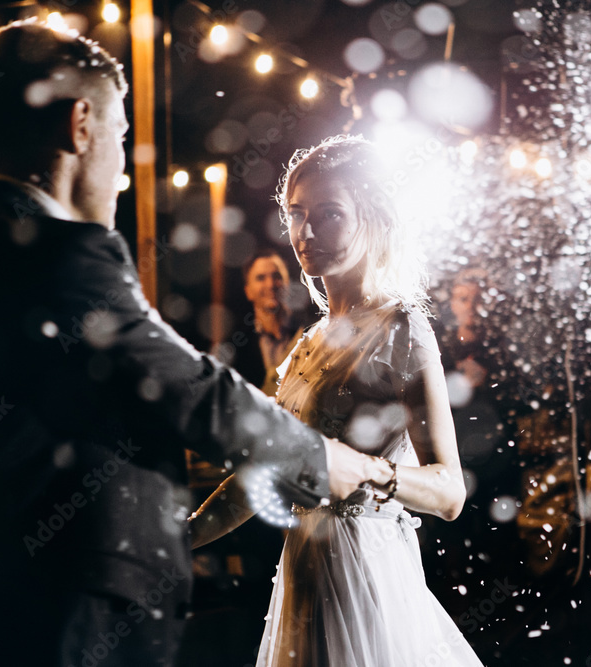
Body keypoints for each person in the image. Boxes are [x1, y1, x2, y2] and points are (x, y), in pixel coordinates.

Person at [0, 22, 378, 667]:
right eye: (120, 137)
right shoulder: (55, 254)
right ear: (80, 125)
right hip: (53, 618)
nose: (121, 166)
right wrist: (319, 456)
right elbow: (189, 387)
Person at [189, 135, 484, 666]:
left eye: (328, 214)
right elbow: (262, 474)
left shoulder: (401, 328)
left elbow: (450, 491)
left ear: (372, 217)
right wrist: (182, 537)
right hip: (304, 570)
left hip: (367, 571)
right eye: (296, 214)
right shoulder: (308, 342)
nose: (304, 232)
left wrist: (370, 472)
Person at [231, 250, 304, 397]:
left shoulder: (309, 332)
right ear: (248, 291)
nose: (270, 284)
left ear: (288, 284)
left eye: (277, 276)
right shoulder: (235, 346)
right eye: (260, 278)